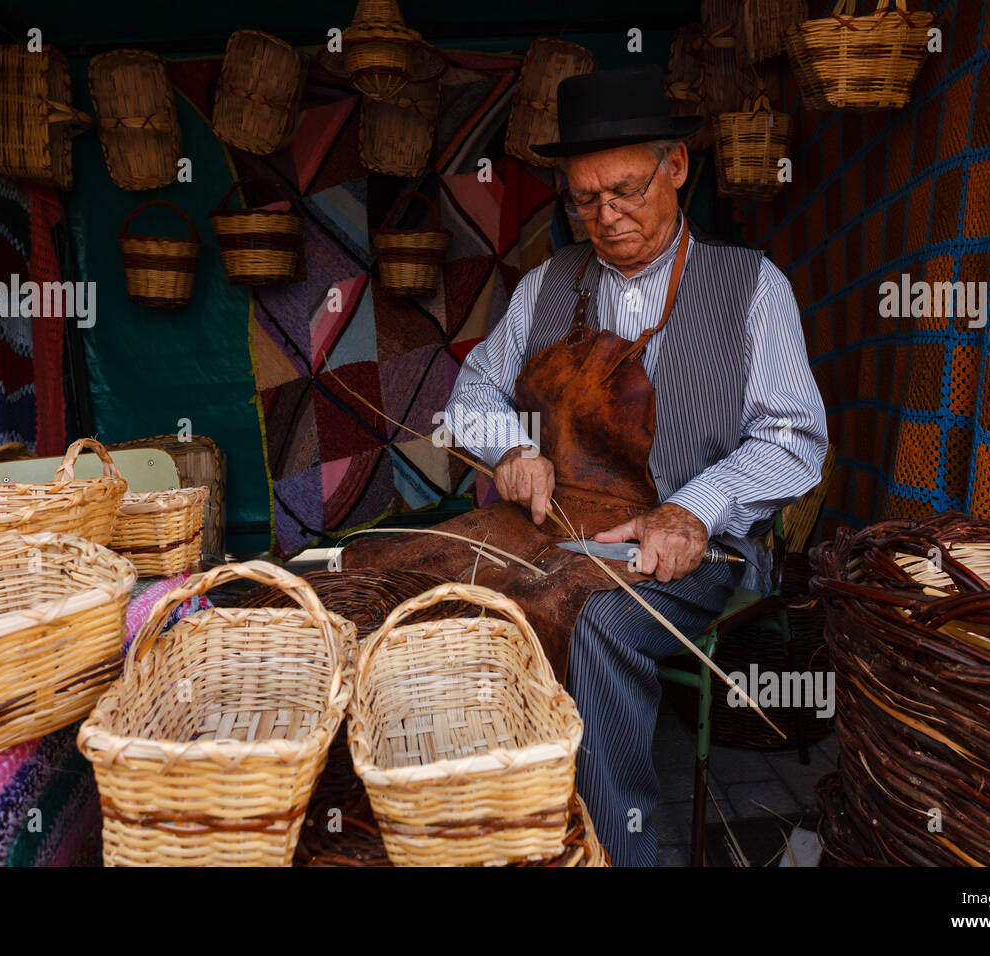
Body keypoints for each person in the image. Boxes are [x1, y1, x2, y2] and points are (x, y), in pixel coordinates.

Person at [343, 63, 828, 866]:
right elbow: (472, 395)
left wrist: (694, 508)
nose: (606, 217)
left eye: (627, 191)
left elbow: (794, 438)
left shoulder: (751, 288)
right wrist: (512, 449)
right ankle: (463, 830)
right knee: (401, 574)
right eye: (585, 199)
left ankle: (613, 849)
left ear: (676, 167)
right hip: (546, 523)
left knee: (595, 624)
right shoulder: (546, 285)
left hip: (695, 545)